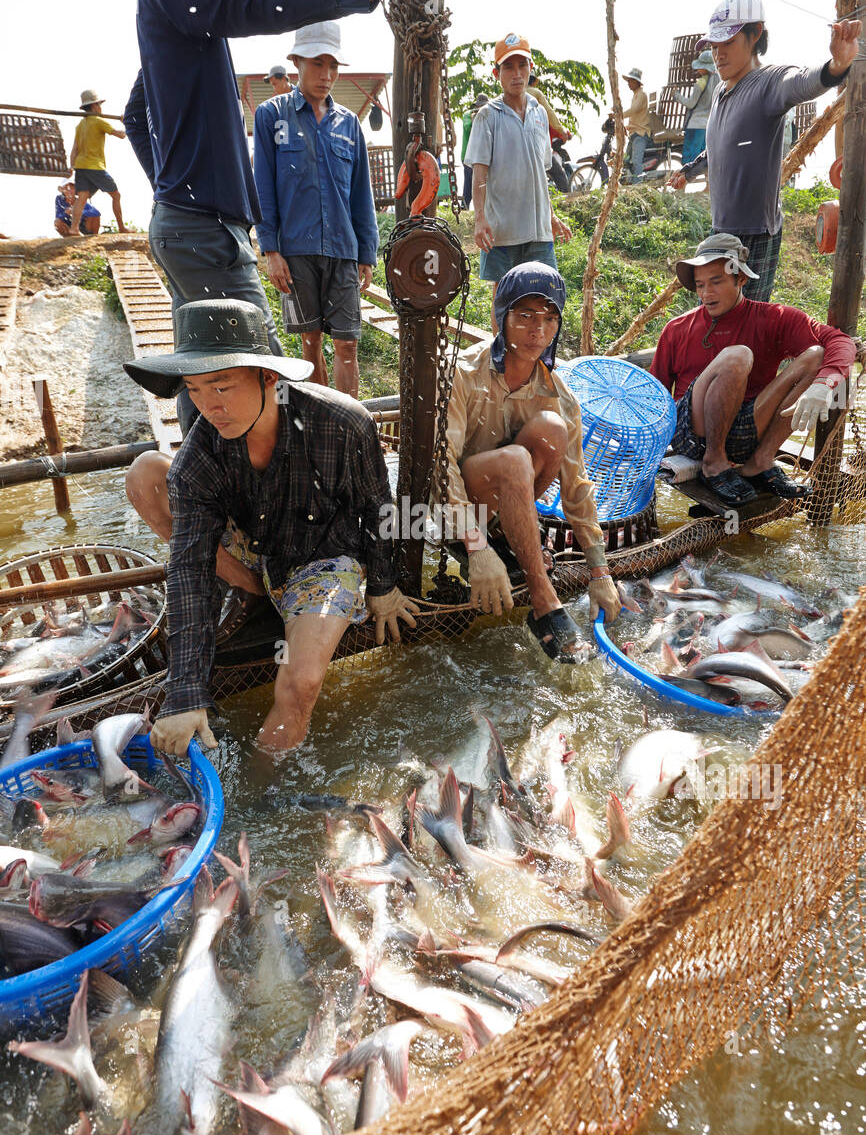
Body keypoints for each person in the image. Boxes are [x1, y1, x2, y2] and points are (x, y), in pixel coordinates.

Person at [133, 0, 409, 434]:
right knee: (264, 377)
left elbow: (136, 114)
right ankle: (259, 509)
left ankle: (201, 503)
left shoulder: (183, 19)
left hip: (194, 225)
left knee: (209, 376)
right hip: (204, 231)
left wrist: (172, 188)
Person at [123, 298, 418, 758]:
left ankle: (264, 795)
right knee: (146, 471)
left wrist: (383, 586)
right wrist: (185, 692)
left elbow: (377, 506)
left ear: (269, 377)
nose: (209, 406)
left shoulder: (342, 423)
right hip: (249, 550)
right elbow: (189, 568)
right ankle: (252, 593)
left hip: (324, 557)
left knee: (299, 682)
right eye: (195, 390)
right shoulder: (198, 460)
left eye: (221, 386)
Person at [443, 262, 621, 662]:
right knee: (512, 460)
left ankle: (510, 537)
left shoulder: (559, 393)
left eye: (549, 318)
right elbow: (441, 465)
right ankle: (544, 601)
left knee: (551, 428)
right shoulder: (463, 374)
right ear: (500, 317)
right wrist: (476, 548)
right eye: (524, 316)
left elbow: (576, 483)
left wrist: (599, 570)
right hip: (456, 511)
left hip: (505, 504)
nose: (537, 330)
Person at [672, 0, 860, 301]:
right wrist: (689, 171)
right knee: (715, 315)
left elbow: (800, 82)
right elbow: (719, 146)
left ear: (755, 32)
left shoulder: (768, 83)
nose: (719, 54)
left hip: (755, 234)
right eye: (715, 46)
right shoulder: (721, 91)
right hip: (720, 229)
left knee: (748, 325)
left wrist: (836, 67)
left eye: (728, 43)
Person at [650, 234, 856, 508]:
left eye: (717, 281)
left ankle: (760, 462)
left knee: (815, 355)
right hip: (694, 435)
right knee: (739, 355)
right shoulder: (677, 328)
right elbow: (653, 395)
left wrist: (824, 383)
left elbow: (838, 340)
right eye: (700, 285)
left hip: (748, 430)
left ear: (741, 279)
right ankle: (713, 462)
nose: (706, 293)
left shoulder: (773, 318)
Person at [254, 21, 378, 401]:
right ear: (296, 63)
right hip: (294, 251)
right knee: (310, 341)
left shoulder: (349, 125)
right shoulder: (271, 116)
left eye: (333, 66)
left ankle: (351, 422)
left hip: (342, 249)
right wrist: (272, 251)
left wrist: (366, 253)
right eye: (317, 64)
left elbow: (361, 194)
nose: (326, 75)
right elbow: (264, 189)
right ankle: (324, 418)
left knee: (347, 344)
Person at [465, 34, 572, 334]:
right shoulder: (488, 116)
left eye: (521, 65)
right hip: (503, 230)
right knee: (504, 296)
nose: (516, 73)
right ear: (497, 74)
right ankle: (501, 357)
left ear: (530, 68)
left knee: (544, 297)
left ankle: (536, 363)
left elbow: (541, 172)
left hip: (538, 229)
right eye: (508, 67)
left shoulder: (539, 114)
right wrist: (480, 218)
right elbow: (480, 173)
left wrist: (550, 217)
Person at [68, 91, 128, 235]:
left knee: (82, 196)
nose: (101, 108)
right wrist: (125, 122)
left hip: (80, 165)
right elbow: (121, 135)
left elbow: (74, 149)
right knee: (116, 195)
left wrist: (71, 166)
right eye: (100, 105)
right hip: (94, 166)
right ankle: (121, 227)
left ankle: (74, 228)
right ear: (95, 106)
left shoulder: (80, 125)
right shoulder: (99, 121)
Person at [674, 49, 718, 168]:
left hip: (695, 124)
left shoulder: (701, 83)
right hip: (708, 124)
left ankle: (684, 182)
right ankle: (707, 184)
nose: (698, 70)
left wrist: (677, 96)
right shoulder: (718, 81)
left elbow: (690, 104)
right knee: (704, 155)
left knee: (689, 156)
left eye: (700, 67)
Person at [621, 67, 652, 183]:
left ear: (637, 82)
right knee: (626, 160)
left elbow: (634, 110)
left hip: (641, 133)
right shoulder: (635, 95)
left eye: (631, 81)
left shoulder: (642, 94)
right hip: (634, 133)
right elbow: (634, 117)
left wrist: (619, 115)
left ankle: (637, 187)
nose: (629, 83)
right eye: (628, 81)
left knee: (636, 161)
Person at [460, 93, 487, 209]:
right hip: (467, 155)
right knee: (469, 183)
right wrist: (476, 117)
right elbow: (468, 127)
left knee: (482, 183)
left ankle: (482, 208)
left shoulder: (487, 116)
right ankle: (465, 206)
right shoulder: (468, 114)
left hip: (481, 155)